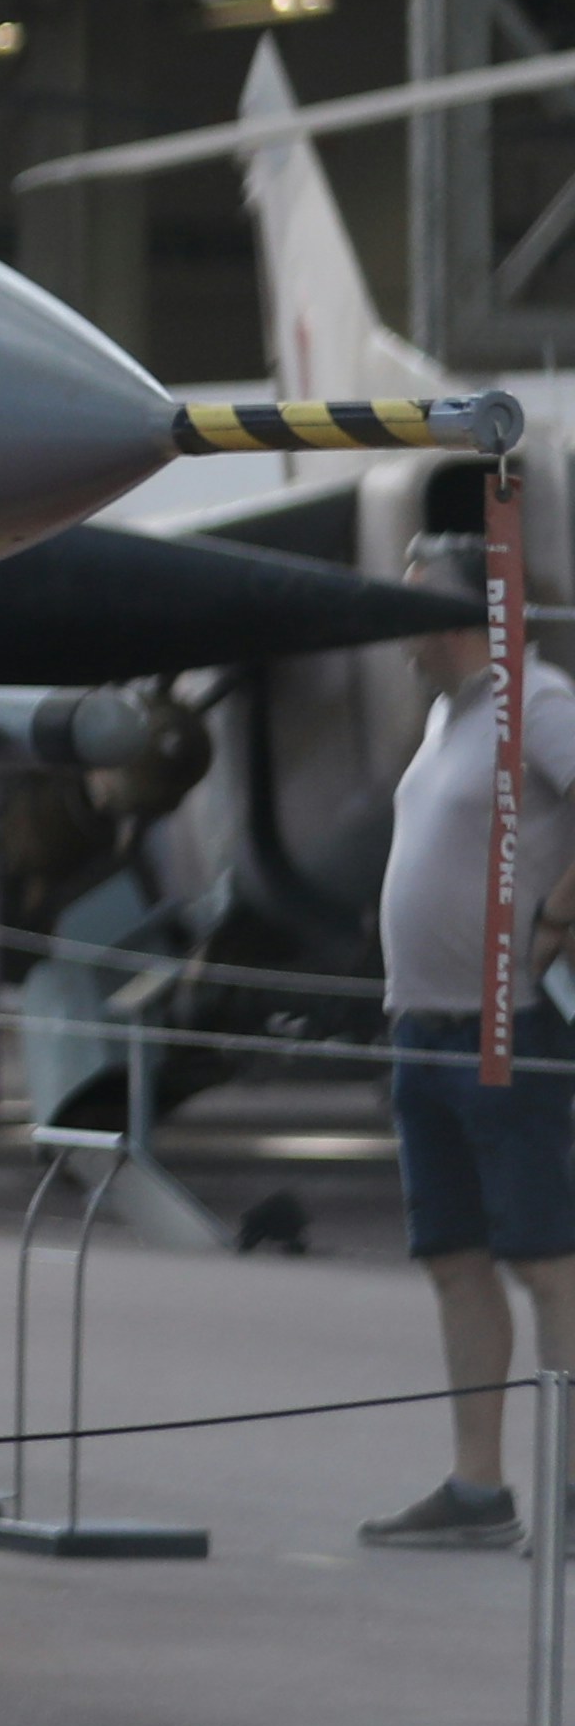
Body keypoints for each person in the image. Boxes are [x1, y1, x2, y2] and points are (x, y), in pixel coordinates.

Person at [369, 532, 575, 1544]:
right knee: (454, 1256)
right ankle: (478, 1488)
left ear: (462, 617)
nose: (394, 630)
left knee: (550, 1260)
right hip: (425, 1028)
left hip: (509, 1024)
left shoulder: (535, 700)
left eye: (411, 609)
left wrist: (557, 918)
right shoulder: (449, 715)